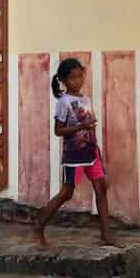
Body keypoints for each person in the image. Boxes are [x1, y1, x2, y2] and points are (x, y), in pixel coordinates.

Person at [33, 58, 118, 248]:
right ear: (63, 80)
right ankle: (39, 226)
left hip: (90, 152)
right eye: (72, 78)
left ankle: (107, 234)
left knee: (101, 189)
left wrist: (95, 146)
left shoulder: (84, 99)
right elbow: (59, 130)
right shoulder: (63, 102)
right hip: (74, 154)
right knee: (66, 193)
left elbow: (88, 125)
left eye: (80, 76)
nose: (77, 81)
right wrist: (81, 125)